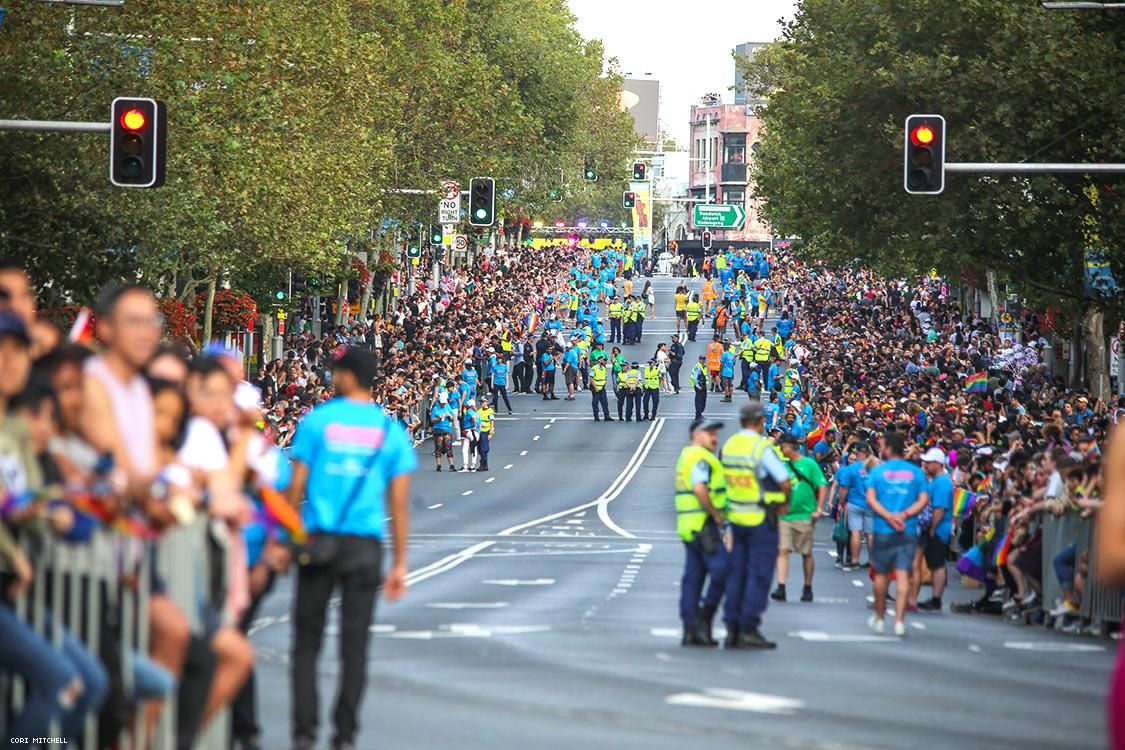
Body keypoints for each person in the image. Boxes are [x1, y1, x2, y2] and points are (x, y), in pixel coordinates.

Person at [287, 347, 415, 750]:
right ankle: (345, 735)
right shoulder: (388, 429)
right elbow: (398, 503)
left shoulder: (318, 421)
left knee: (306, 644)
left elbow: (293, 490)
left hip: (319, 541)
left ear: (345, 376)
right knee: (354, 646)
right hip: (364, 546)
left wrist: (283, 539)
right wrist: (400, 563)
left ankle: (304, 734)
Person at [720, 402, 792, 649]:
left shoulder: (730, 445)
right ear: (761, 422)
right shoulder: (760, 447)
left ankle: (732, 627)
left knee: (736, 573)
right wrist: (783, 503)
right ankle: (749, 627)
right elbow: (784, 481)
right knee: (759, 575)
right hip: (760, 517)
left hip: (735, 517)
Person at [865, 431, 929, 637]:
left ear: (889, 448)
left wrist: (889, 517)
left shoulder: (877, 472)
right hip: (907, 529)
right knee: (903, 575)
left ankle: (880, 617)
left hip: (883, 529)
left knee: (881, 575)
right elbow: (923, 500)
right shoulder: (916, 472)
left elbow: (871, 500)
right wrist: (904, 515)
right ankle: (900, 620)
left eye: (883, 446)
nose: (881, 449)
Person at [675, 418, 730, 647]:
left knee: (693, 578)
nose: (715, 438)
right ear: (696, 435)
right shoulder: (700, 459)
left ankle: (690, 629)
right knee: (722, 570)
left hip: (689, 526)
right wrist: (717, 515)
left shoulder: (686, 456)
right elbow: (699, 488)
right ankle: (704, 618)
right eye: (710, 433)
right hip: (704, 525)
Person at [772, 434, 828, 603]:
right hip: (785, 514)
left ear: (790, 446)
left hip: (804, 514)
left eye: (783, 447)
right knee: (782, 550)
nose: (781, 451)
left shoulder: (809, 464)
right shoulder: (782, 466)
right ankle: (781, 586)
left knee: (806, 552)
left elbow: (822, 485)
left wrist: (818, 508)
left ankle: (807, 586)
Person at [915, 446, 953, 611]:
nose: (926, 465)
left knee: (937, 564)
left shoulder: (943, 482)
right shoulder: (937, 481)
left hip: (938, 529)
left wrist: (932, 527)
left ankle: (936, 599)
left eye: (929, 462)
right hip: (932, 527)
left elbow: (940, 508)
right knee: (933, 563)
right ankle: (935, 597)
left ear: (938, 464)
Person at [839, 441, 874, 570]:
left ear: (856, 452)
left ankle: (855, 560)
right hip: (871, 503)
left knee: (855, 532)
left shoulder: (851, 469)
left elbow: (844, 488)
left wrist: (841, 502)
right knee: (870, 533)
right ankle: (872, 561)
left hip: (854, 503)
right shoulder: (874, 468)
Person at [429, 392, 456, 472]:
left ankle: (451, 465)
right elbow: (432, 421)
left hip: (447, 429)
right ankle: (439, 465)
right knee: (438, 447)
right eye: (442, 403)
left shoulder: (447, 406)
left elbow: (452, 418)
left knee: (448, 447)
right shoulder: (435, 408)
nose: (443, 405)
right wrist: (438, 418)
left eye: (444, 403)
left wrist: (450, 416)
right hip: (438, 429)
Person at [590, 357, 613, 422]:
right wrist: (595, 387)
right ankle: (596, 416)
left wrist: (604, 384)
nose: (605, 362)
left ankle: (606, 416)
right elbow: (591, 378)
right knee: (595, 402)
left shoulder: (604, 368)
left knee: (605, 402)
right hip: (596, 388)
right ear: (600, 361)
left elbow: (605, 377)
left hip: (602, 388)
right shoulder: (594, 368)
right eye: (604, 360)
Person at [460, 399, 480, 471]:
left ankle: (466, 464)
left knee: (468, 448)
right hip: (476, 432)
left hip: (470, 430)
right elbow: (480, 423)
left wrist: (473, 426)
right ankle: (472, 464)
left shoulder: (469, 412)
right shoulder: (476, 413)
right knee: (471, 448)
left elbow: (473, 418)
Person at [477, 396, 495, 472]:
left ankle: (484, 464)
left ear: (487, 402)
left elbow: (492, 422)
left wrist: (491, 432)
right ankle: (482, 462)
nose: (482, 403)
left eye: (483, 402)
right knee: (479, 448)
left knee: (484, 448)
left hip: (486, 431)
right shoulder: (479, 411)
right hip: (479, 431)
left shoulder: (490, 411)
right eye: (481, 402)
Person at [690, 355, 709, 420]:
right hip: (699, 386)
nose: (703, 360)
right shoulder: (697, 367)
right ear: (699, 359)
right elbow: (695, 377)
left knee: (703, 400)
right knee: (699, 401)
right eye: (701, 359)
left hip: (703, 385)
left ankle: (700, 414)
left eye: (704, 359)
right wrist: (697, 385)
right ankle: (698, 415)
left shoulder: (704, 367)